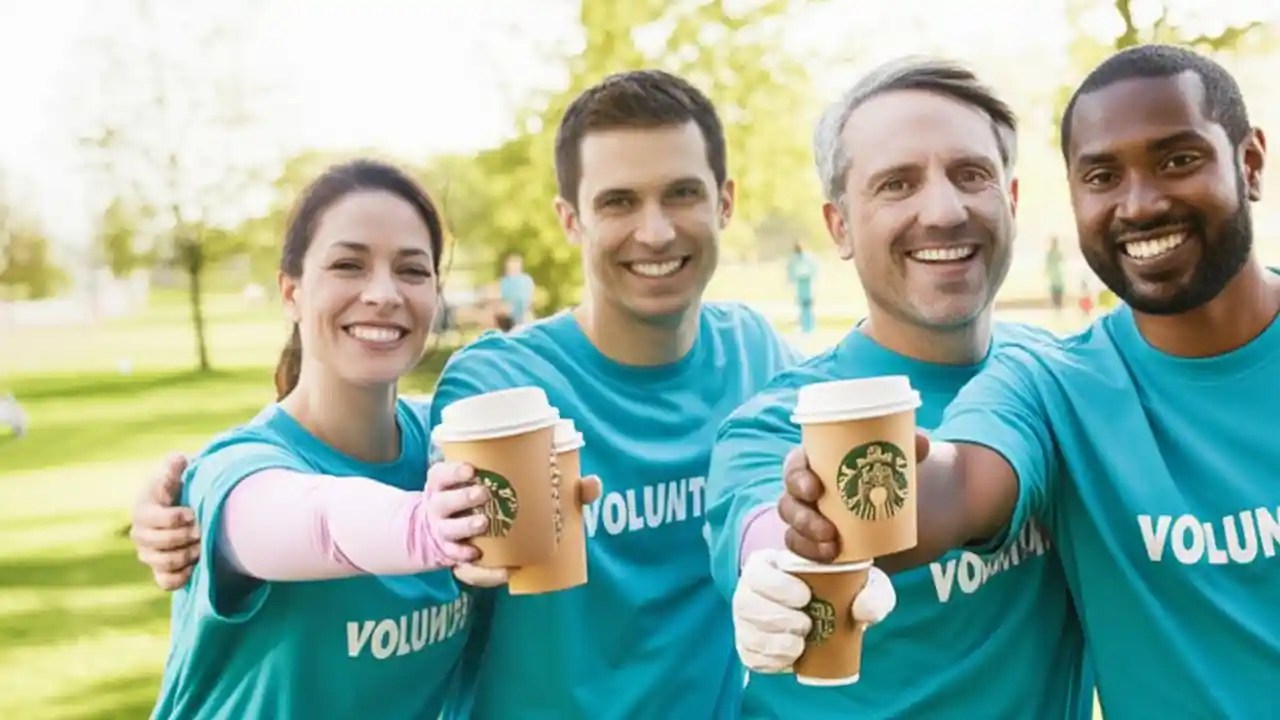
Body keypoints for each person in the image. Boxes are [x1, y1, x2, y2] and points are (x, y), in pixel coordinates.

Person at [128, 70, 894, 719]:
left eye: (413, 270)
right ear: (571, 220)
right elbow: (303, 508)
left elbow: (793, 475)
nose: (655, 231)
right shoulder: (495, 393)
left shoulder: (756, 353)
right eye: (619, 201)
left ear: (725, 203)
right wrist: (210, 495)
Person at [773, 45, 1280, 718]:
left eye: (1178, 160)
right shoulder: (1052, 388)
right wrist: (839, 513)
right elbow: (955, 485)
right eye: (1102, 176)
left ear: (1248, 162)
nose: (1140, 203)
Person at [711, 57, 1091, 719]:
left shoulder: (1064, 380)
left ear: (1013, 199)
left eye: (970, 174)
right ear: (839, 227)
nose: (942, 211)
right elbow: (766, 528)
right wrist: (781, 572)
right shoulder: (779, 424)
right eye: (897, 184)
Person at [149, 159, 528, 718]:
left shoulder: (450, 443)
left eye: (413, 270)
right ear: (291, 293)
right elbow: (320, 521)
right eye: (348, 265)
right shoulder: (238, 469)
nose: (383, 293)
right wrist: (432, 528)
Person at [786, 241, 818, 335]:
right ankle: (805, 326)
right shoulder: (794, 258)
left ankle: (809, 326)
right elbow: (791, 269)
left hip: (807, 280)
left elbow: (813, 269)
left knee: (807, 304)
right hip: (800, 281)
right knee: (802, 304)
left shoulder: (807, 257)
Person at [498, 252, 536, 325]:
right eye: (510, 266)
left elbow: (530, 297)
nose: (512, 268)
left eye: (515, 266)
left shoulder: (526, 279)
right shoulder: (505, 282)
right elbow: (503, 298)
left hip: (524, 312)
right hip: (509, 315)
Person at [1045, 235, 1066, 312]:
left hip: (1057, 275)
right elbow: (1048, 264)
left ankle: (1058, 305)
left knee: (1058, 290)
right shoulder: (1051, 253)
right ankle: (1056, 305)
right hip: (1054, 275)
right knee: (1055, 291)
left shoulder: (1055, 252)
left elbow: (1062, 260)